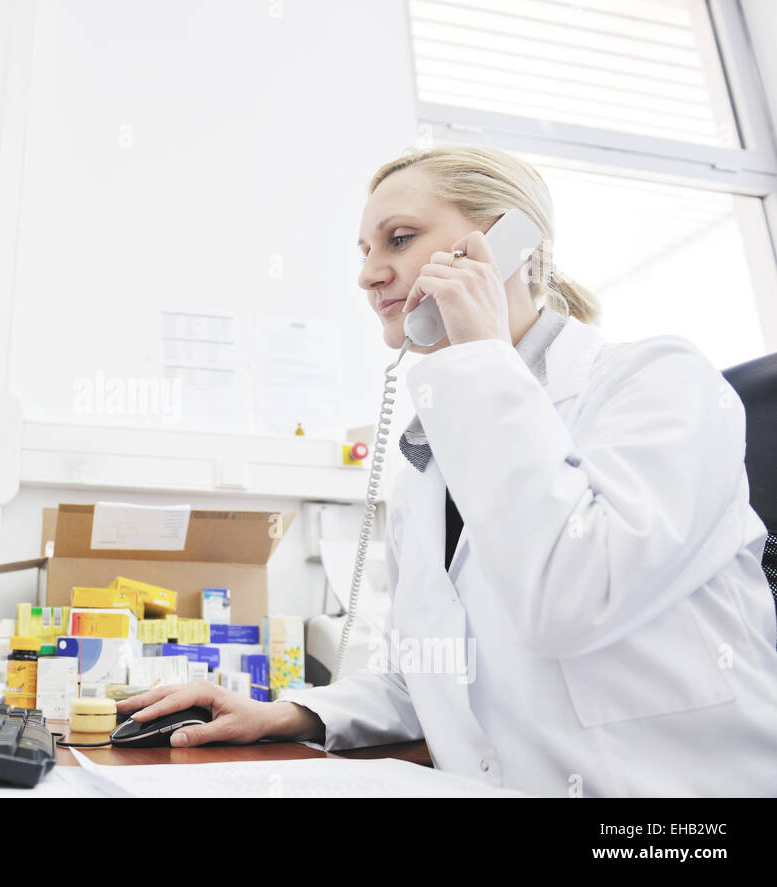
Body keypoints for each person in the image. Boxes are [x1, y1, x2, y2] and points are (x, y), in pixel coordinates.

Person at [118, 144, 777, 797]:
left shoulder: (658, 382)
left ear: (508, 241)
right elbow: (429, 674)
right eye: (364, 251)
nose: (369, 273)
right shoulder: (429, 473)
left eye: (398, 239)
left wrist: (482, 353)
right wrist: (295, 712)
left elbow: (571, 598)